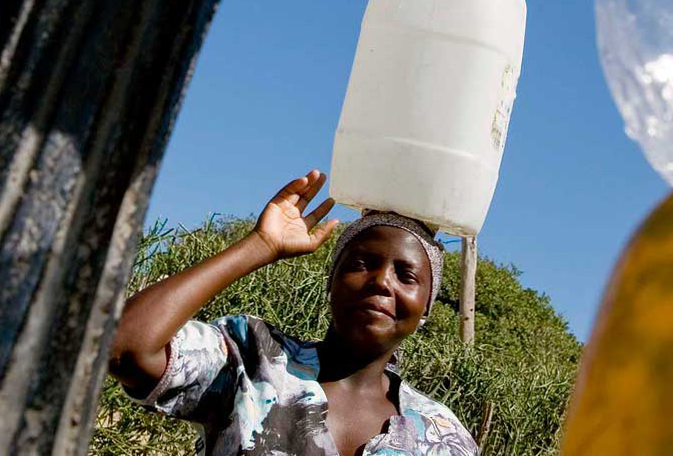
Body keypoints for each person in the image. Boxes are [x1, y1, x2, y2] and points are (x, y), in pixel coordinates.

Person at [107, 169, 480, 456]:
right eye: (363, 264)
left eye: (406, 275)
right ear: (331, 281)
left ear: (426, 307)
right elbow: (125, 346)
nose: (381, 282)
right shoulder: (253, 360)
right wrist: (260, 245)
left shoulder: (443, 437)